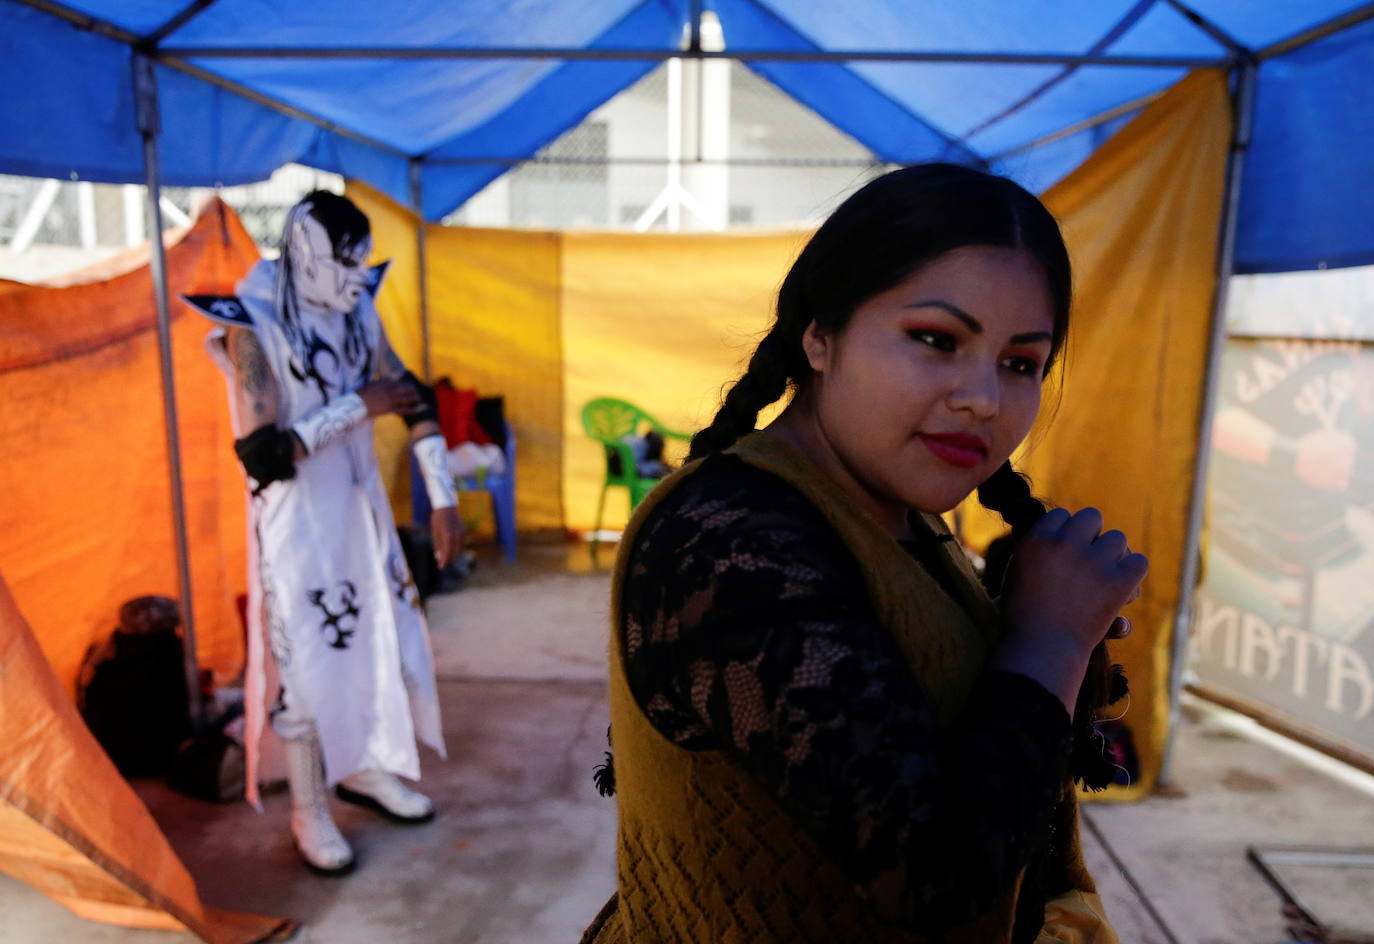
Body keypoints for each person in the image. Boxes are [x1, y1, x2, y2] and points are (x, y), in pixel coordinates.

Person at [581, 164, 1146, 942]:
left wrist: (1033, 615)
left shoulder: (901, 513)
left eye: (1021, 363)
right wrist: (1047, 643)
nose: (983, 396)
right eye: (936, 340)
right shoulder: (728, 536)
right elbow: (936, 887)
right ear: (821, 335)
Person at [188, 191, 464, 875]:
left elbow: (410, 392)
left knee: (376, 643)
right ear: (307, 257)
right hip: (296, 530)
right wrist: (354, 407)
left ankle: (362, 769)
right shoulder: (251, 327)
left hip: (359, 513)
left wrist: (443, 494)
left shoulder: (355, 308)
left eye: (360, 266)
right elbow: (262, 456)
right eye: (343, 266)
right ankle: (309, 810)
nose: (355, 281)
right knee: (308, 665)